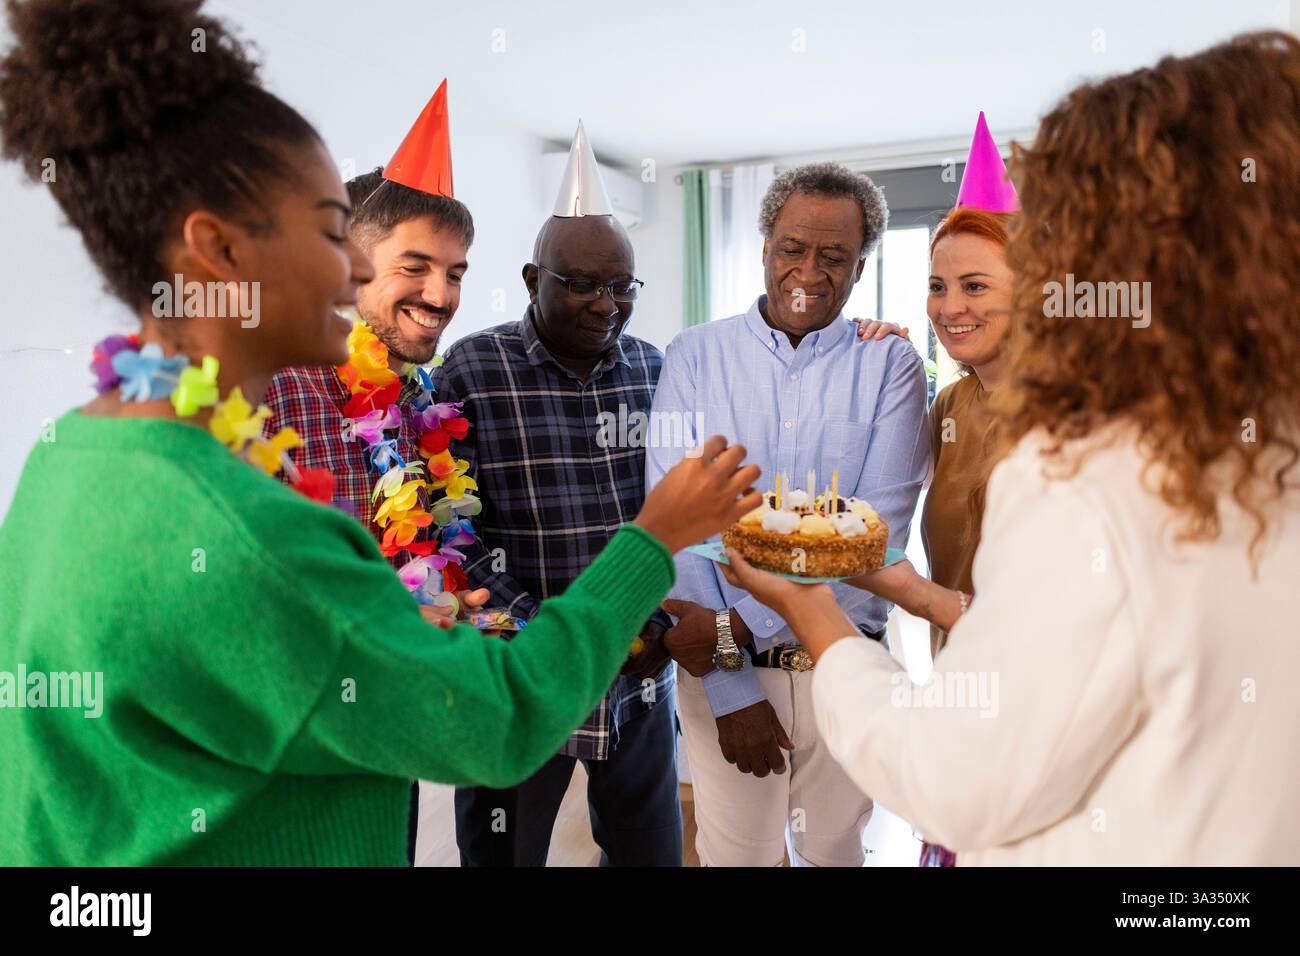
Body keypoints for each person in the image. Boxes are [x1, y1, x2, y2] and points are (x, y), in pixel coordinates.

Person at [0, 0, 761, 866]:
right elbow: (499, 723)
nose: (359, 268)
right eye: (334, 231)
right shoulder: (254, 533)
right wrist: (655, 537)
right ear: (219, 251)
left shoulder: (68, 459)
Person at [713, 31, 1300, 865]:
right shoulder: (1251, 433)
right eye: (940, 286)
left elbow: (957, 778)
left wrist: (812, 610)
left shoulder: (1087, 472)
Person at [647, 162, 929, 867]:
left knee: (836, 850)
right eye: (793, 249)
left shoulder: (891, 365)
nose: (809, 271)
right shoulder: (693, 357)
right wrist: (730, 676)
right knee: (735, 855)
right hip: (723, 668)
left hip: (846, 663)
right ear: (765, 247)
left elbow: (874, 536)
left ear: (860, 267)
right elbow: (679, 527)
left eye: (834, 255)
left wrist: (737, 626)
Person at [437, 125, 682, 866]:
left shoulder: (654, 370)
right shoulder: (471, 371)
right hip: (520, 680)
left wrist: (656, 624)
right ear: (530, 278)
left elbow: (673, 515)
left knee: (650, 857)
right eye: (580, 283)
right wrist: (554, 638)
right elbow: (451, 533)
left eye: (622, 286)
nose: (606, 304)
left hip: (638, 683)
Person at [262, 87, 487, 863]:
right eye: (415, 268)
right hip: (290, 741)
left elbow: (409, 558)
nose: (441, 296)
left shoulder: (419, 396)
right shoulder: (276, 382)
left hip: (387, 727)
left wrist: (439, 609)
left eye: (456, 273)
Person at [855, 113, 1021, 867]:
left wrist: (912, 594)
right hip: (962, 700)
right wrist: (870, 363)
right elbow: (877, 468)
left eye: (976, 285)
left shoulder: (1079, 417)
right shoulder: (951, 404)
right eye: (937, 286)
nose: (950, 307)